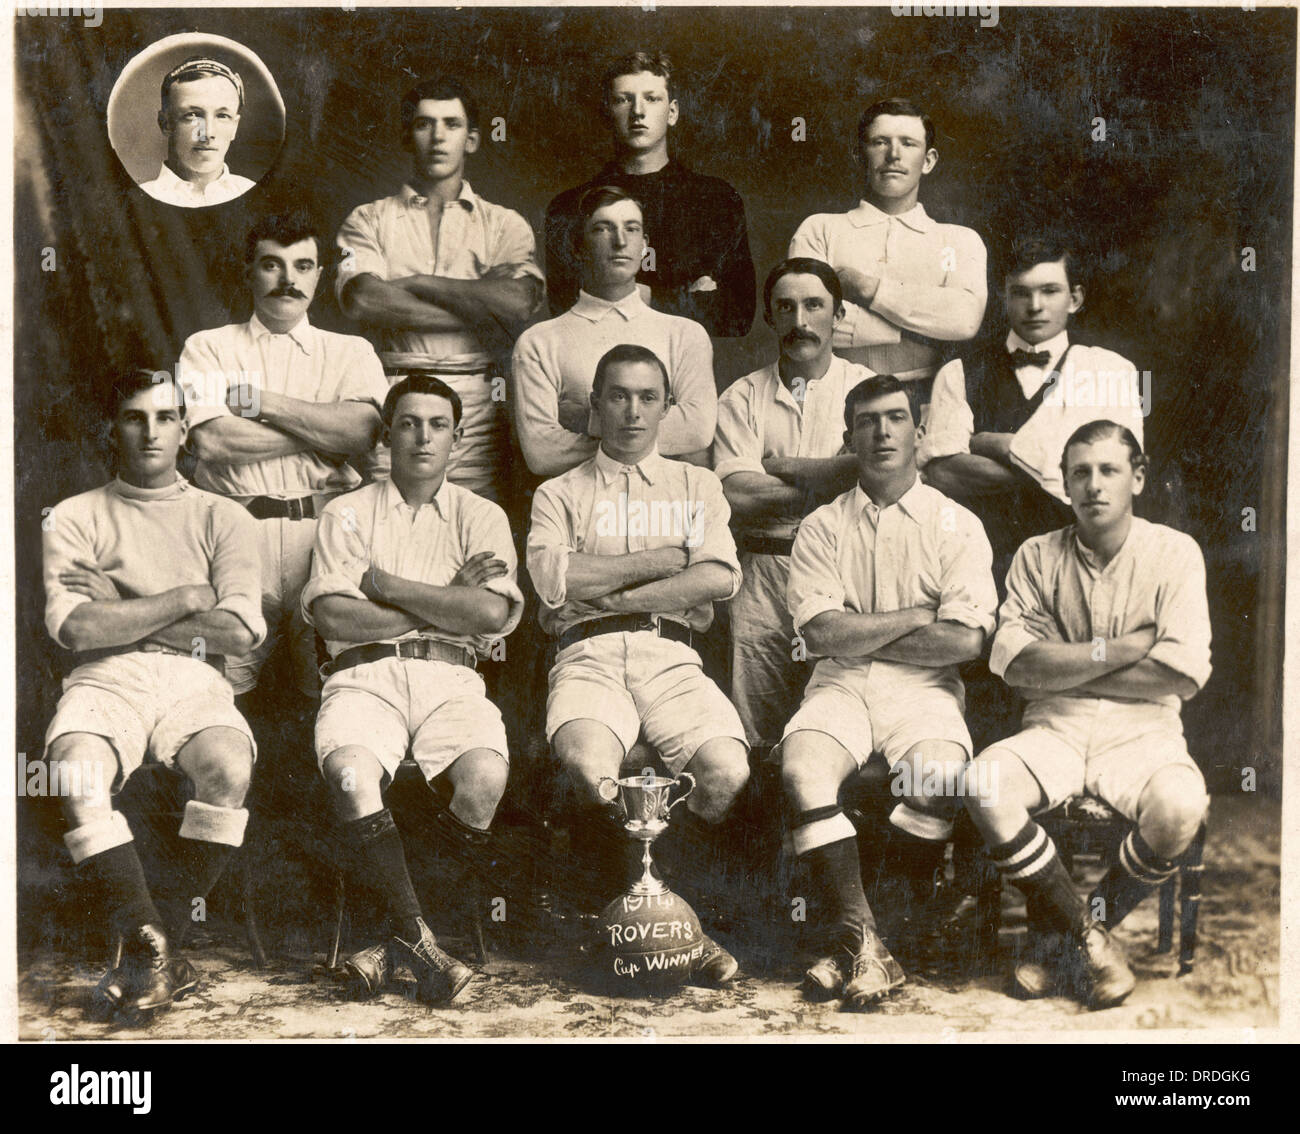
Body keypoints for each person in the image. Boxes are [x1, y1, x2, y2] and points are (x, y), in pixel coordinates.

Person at [962, 420, 1211, 1009]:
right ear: (1064, 483)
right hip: (1056, 724)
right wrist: (1125, 649)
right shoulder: (1035, 556)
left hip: (1145, 729)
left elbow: (1182, 675)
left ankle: (1056, 937)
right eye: (1080, 472)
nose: (1094, 485)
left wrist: (1064, 658)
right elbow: (1017, 669)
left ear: (1138, 478)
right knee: (983, 783)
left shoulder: (1174, 553)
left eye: (1109, 470)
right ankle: (1089, 940)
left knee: (1180, 807)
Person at [41, 369, 265, 1015]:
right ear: (113, 428)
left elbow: (240, 630)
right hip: (104, 679)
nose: (150, 431)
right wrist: (185, 598)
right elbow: (79, 630)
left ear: (185, 430)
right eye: (135, 417)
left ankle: (155, 944)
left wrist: (128, 608)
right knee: (75, 771)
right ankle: (155, 948)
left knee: (228, 767)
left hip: (196, 681)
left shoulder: (225, 516)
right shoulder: (76, 517)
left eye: (165, 417)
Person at [526, 344, 750, 984]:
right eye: (617, 396)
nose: (632, 411)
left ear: (667, 407)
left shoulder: (696, 484)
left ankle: (681, 926)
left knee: (726, 772)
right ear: (593, 407)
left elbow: (716, 576)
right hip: (588, 656)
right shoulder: (557, 492)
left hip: (671, 657)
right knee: (588, 768)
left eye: (648, 397)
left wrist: (608, 589)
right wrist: (662, 559)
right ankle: (623, 926)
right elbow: (554, 580)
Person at [302, 373, 523, 1006]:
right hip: (363, 675)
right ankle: (422, 943)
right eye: (408, 423)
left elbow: (486, 616)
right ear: (387, 435)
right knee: (349, 775)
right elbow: (335, 618)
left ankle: (393, 940)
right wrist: (446, 594)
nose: (422, 437)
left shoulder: (482, 514)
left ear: (457, 438)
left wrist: (387, 585)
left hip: (452, 676)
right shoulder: (345, 513)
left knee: (484, 778)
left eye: (437, 425)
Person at [781, 374, 996, 1010]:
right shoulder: (820, 526)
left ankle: (858, 944)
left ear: (919, 432)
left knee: (938, 774)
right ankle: (868, 941)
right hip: (840, 686)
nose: (882, 432)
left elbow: (963, 643)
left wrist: (861, 631)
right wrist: (915, 616)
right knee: (801, 770)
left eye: (896, 418)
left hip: (925, 691)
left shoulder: (957, 524)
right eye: (868, 421)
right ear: (849, 438)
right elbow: (821, 633)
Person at [177, 211, 387, 702]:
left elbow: (365, 431)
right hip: (232, 534)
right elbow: (213, 442)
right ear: (248, 271)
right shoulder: (208, 347)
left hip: (325, 536)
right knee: (212, 693)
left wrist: (263, 404)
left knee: (334, 693)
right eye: (272, 265)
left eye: (303, 266)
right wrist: (324, 432)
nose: (288, 280)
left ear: (319, 275)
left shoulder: (351, 351)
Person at [336, 75, 544, 500]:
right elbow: (363, 300)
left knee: (475, 528)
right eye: (424, 124)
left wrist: (416, 283)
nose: (437, 137)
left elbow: (518, 304)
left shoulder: (504, 224)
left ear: (471, 139)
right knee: (386, 523)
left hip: (478, 405)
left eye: (451, 124)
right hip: (392, 396)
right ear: (406, 135)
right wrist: (478, 302)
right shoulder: (368, 219)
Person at [712, 257, 873, 745]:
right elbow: (737, 493)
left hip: (845, 571)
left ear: (839, 314)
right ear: (770, 317)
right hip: (763, 571)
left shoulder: (864, 389)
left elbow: (873, 475)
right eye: (786, 307)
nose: (800, 321)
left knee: (838, 717)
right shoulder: (742, 396)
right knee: (757, 726)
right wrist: (831, 475)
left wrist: (783, 465)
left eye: (814, 305)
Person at [921, 235, 1147, 573]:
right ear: (1004, 298)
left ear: (1075, 298)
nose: (1035, 305)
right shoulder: (961, 373)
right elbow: (942, 473)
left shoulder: (1109, 370)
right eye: (1021, 293)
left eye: (1050, 291)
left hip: (1079, 561)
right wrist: (1061, 469)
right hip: (980, 564)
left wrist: (999, 445)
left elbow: (1118, 474)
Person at [544, 51, 754, 338]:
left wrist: (643, 296)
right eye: (623, 99)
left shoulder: (716, 199)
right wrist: (687, 298)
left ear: (672, 113)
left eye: (651, 99)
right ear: (607, 111)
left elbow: (737, 315)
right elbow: (565, 311)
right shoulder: (570, 206)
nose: (637, 111)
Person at [788, 97, 986, 402]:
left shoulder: (958, 241)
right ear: (859, 155)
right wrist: (914, 333)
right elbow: (807, 324)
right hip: (833, 398)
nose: (893, 155)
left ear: (929, 160)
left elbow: (964, 320)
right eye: (880, 142)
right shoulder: (820, 230)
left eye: (908, 143)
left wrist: (866, 288)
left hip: (929, 402)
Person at [514, 186, 716, 478]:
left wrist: (587, 419)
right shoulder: (539, 342)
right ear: (577, 246)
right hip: (581, 506)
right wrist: (656, 439)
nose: (621, 241)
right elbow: (542, 454)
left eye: (632, 229)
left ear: (645, 245)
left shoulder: (685, 335)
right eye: (602, 229)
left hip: (663, 503)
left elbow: (697, 432)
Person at [138, 56, 256, 208]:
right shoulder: (137, 200)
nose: (208, 133)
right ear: (165, 124)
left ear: (234, 127)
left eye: (222, 116)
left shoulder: (255, 194)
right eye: (193, 115)